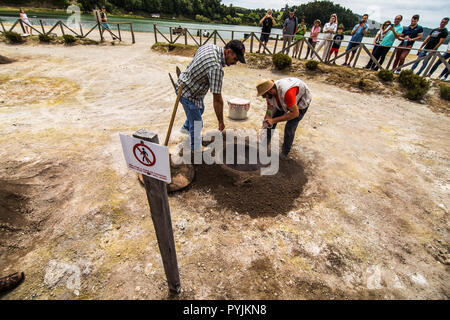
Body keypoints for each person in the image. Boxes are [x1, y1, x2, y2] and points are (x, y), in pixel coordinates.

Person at [177, 40, 246, 153]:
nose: (235, 62)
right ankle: (196, 150)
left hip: (185, 82)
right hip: (188, 93)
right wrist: (220, 121)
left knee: (200, 108)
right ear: (228, 52)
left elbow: (195, 57)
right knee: (197, 122)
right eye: (235, 59)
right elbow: (217, 99)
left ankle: (186, 128)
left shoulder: (210, 47)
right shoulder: (216, 68)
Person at [256, 77, 312, 159]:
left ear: (271, 91)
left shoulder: (287, 92)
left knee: (289, 128)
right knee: (269, 123)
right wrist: (265, 124)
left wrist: (273, 120)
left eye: (264, 95)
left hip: (300, 103)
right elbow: (269, 110)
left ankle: (285, 152)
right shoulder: (270, 94)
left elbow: (295, 113)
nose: (264, 97)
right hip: (285, 101)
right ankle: (264, 145)